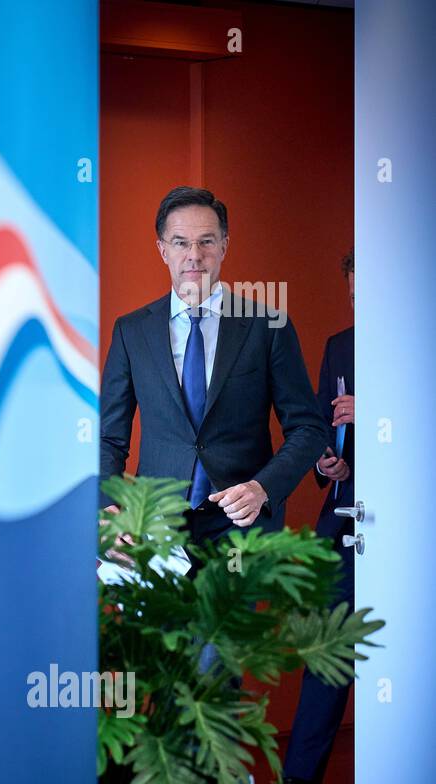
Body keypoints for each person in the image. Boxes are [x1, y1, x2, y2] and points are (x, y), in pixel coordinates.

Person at [100, 186, 329, 552]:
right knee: (167, 613)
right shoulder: (131, 331)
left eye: (207, 241)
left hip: (243, 525)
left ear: (224, 245)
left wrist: (262, 489)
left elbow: (308, 428)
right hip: (156, 528)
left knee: (234, 612)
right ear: (162, 249)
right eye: (180, 242)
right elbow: (108, 437)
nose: (194, 255)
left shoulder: (266, 325)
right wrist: (107, 506)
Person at [255, 249, 356, 784]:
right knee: (327, 652)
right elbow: (317, 428)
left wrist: (374, 414)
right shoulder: (339, 346)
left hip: (405, 528)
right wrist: (327, 467)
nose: (359, 302)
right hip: (343, 518)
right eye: (352, 291)